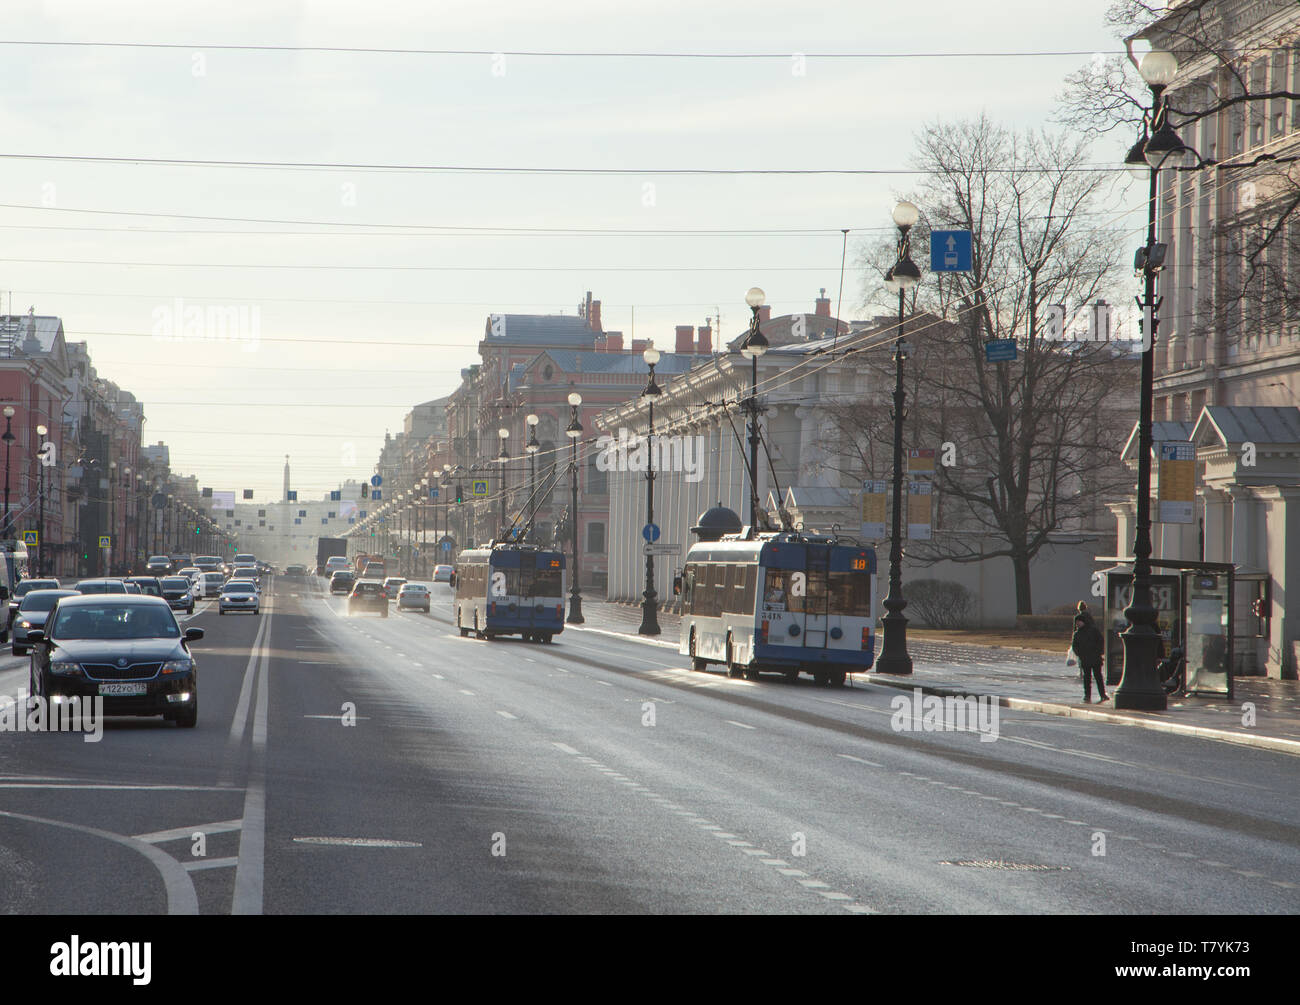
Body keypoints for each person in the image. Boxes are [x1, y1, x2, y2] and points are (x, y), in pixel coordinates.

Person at [1071, 601, 1106, 703]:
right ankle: (1101, 694)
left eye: (1078, 623)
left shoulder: (1080, 632)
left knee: (1088, 678)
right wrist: (1099, 652)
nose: (1077, 624)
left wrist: (1080, 654)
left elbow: (1075, 646)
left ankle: (1088, 696)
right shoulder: (1092, 626)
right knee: (1097, 677)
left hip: (1089, 657)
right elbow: (1100, 641)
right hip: (1092, 656)